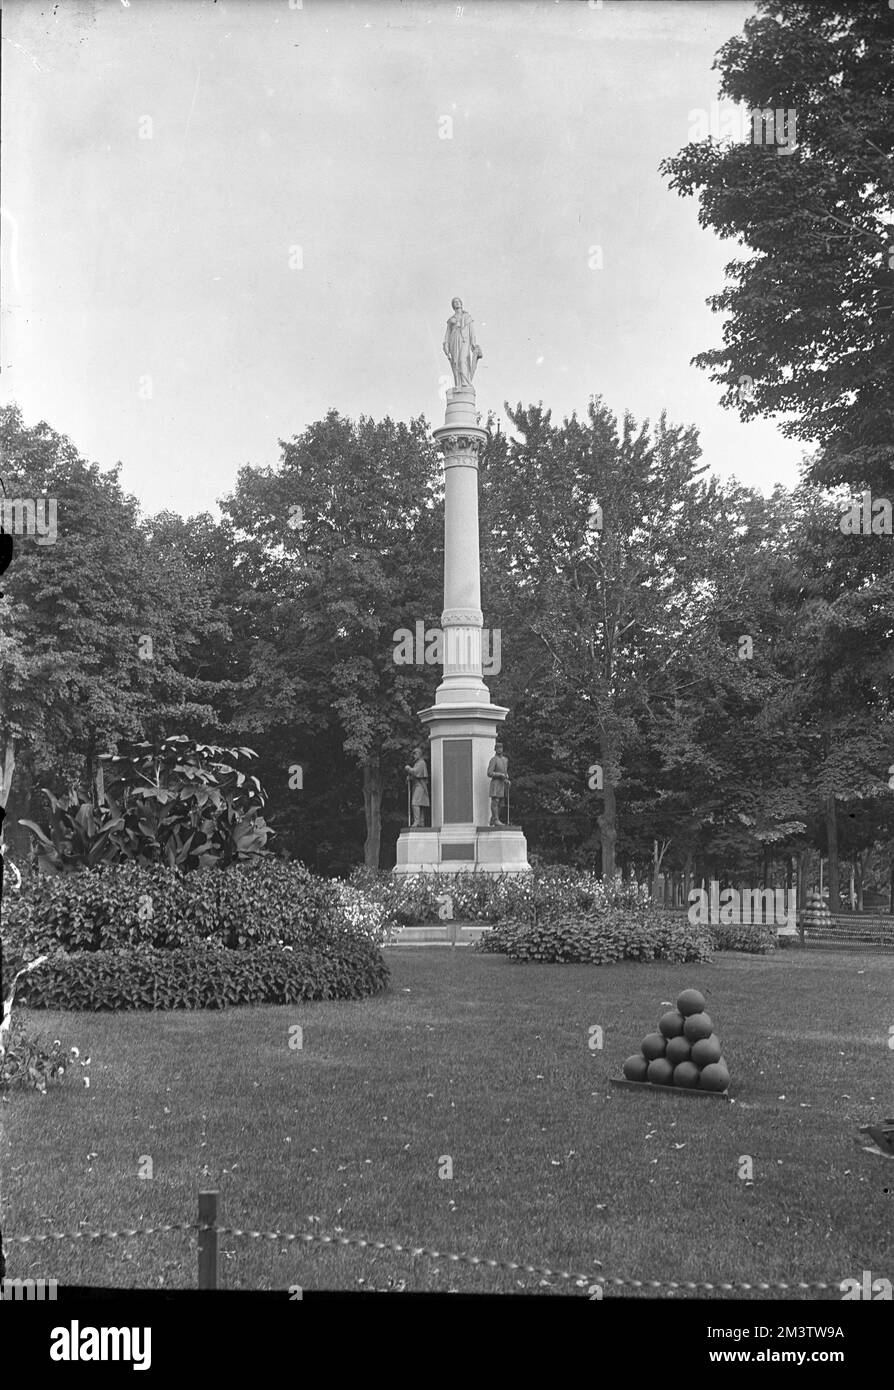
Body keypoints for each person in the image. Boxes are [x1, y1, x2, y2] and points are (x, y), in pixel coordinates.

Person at [443, 297, 483, 389]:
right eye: (454, 302)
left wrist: (474, 345)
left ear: (461, 303)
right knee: (455, 362)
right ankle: (458, 384)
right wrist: (446, 344)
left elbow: (472, 332)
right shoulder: (451, 320)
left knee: (462, 360)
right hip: (454, 340)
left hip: (464, 341)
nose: (456, 303)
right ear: (453, 306)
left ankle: (465, 383)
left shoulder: (467, 317)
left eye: (458, 301)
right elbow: (447, 334)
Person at [404, 746, 430, 827]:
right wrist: (410, 778)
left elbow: (416, 772)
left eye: (415, 754)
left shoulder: (421, 763)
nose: (414, 756)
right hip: (417, 785)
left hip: (420, 786)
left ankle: (417, 821)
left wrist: (408, 768)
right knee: (420, 804)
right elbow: (417, 775)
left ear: (419, 754)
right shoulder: (417, 763)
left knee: (415, 803)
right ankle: (421, 822)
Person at [487, 741, 510, 826]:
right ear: (495, 749)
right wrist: (499, 775)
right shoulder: (494, 760)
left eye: (501, 748)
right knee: (495, 801)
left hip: (502, 783)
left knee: (501, 803)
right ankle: (495, 819)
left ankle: (494, 818)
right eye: (498, 748)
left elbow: (505, 772)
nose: (499, 750)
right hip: (496, 783)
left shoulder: (505, 760)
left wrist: (506, 779)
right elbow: (489, 773)